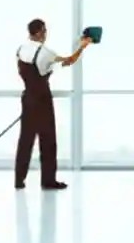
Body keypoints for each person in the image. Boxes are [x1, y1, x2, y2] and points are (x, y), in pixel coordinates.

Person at [14, 19, 90, 190]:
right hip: (42, 100)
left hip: (27, 99)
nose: (46, 33)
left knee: (25, 141)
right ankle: (48, 181)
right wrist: (83, 46)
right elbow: (69, 60)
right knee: (48, 141)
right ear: (40, 32)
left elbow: (25, 72)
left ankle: (19, 180)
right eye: (45, 30)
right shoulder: (45, 52)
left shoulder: (21, 50)